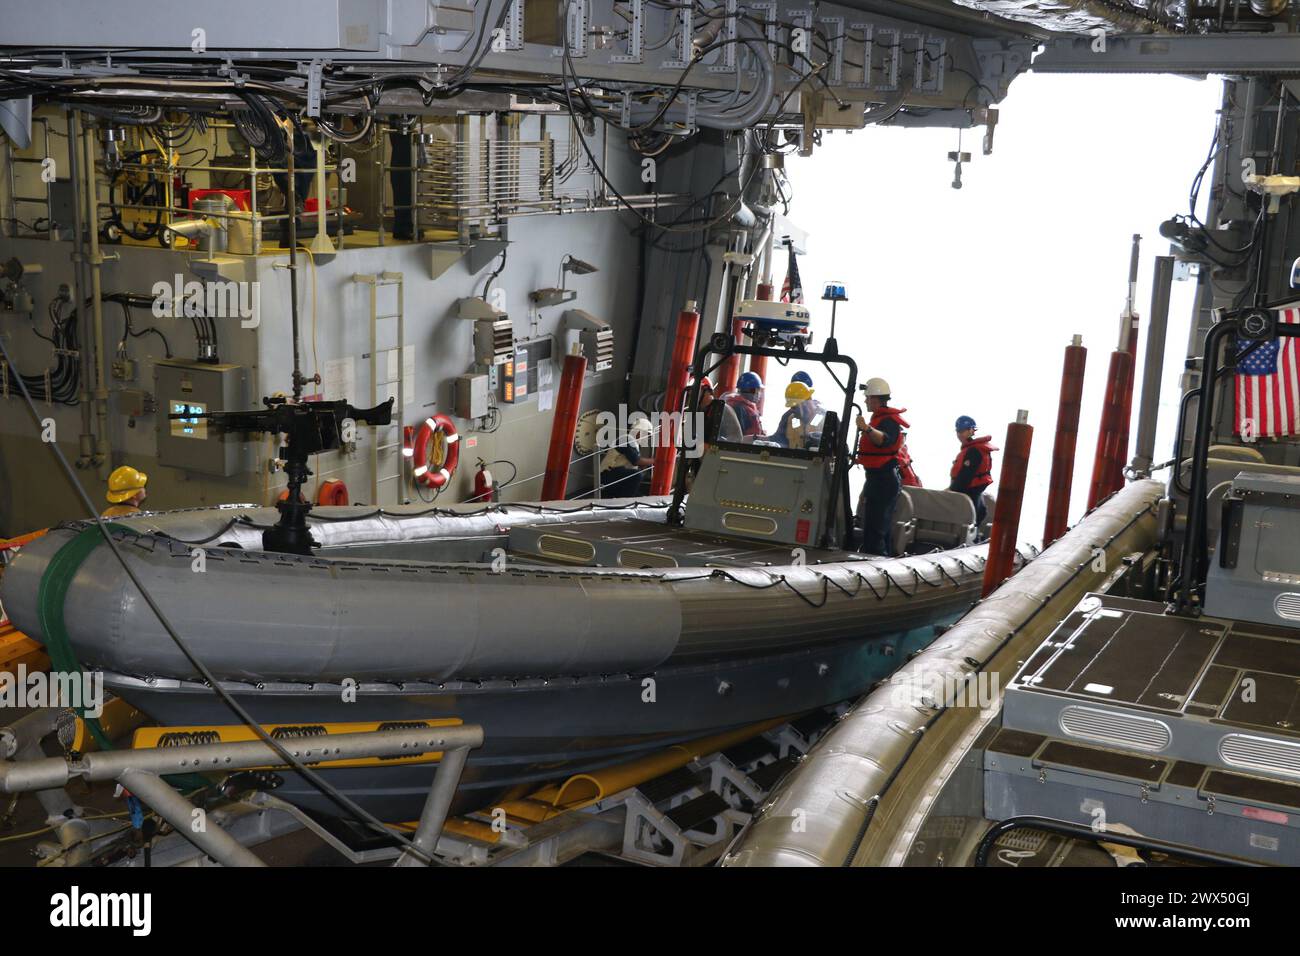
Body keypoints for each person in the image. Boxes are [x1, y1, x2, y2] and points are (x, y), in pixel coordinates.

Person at [854, 378, 908, 556]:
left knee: (876, 528)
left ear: (875, 399)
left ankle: (876, 561)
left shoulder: (889, 422)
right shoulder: (880, 419)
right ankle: (879, 558)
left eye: (867, 398)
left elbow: (884, 440)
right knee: (873, 526)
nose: (865, 401)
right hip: (875, 479)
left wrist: (867, 429)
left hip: (884, 480)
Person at [949, 415, 996, 527]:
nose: (959, 434)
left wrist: (952, 490)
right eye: (958, 431)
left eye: (962, 431)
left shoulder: (974, 451)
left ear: (971, 430)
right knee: (978, 510)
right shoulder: (975, 447)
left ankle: (972, 533)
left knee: (973, 513)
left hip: (969, 490)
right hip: (973, 490)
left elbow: (965, 476)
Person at [767, 371, 825, 450]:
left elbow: (840, 446)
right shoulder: (790, 418)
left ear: (805, 402)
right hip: (793, 461)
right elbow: (779, 440)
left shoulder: (826, 418)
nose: (791, 409)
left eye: (794, 406)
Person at [599, 416, 652, 497]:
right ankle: (626, 499)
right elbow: (636, 461)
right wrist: (657, 461)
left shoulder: (633, 443)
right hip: (608, 475)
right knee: (637, 475)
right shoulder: (626, 439)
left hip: (616, 476)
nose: (647, 438)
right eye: (647, 434)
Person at [725, 371, 765, 438]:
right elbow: (739, 436)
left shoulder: (744, 406)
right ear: (750, 390)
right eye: (758, 390)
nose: (759, 394)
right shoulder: (739, 409)